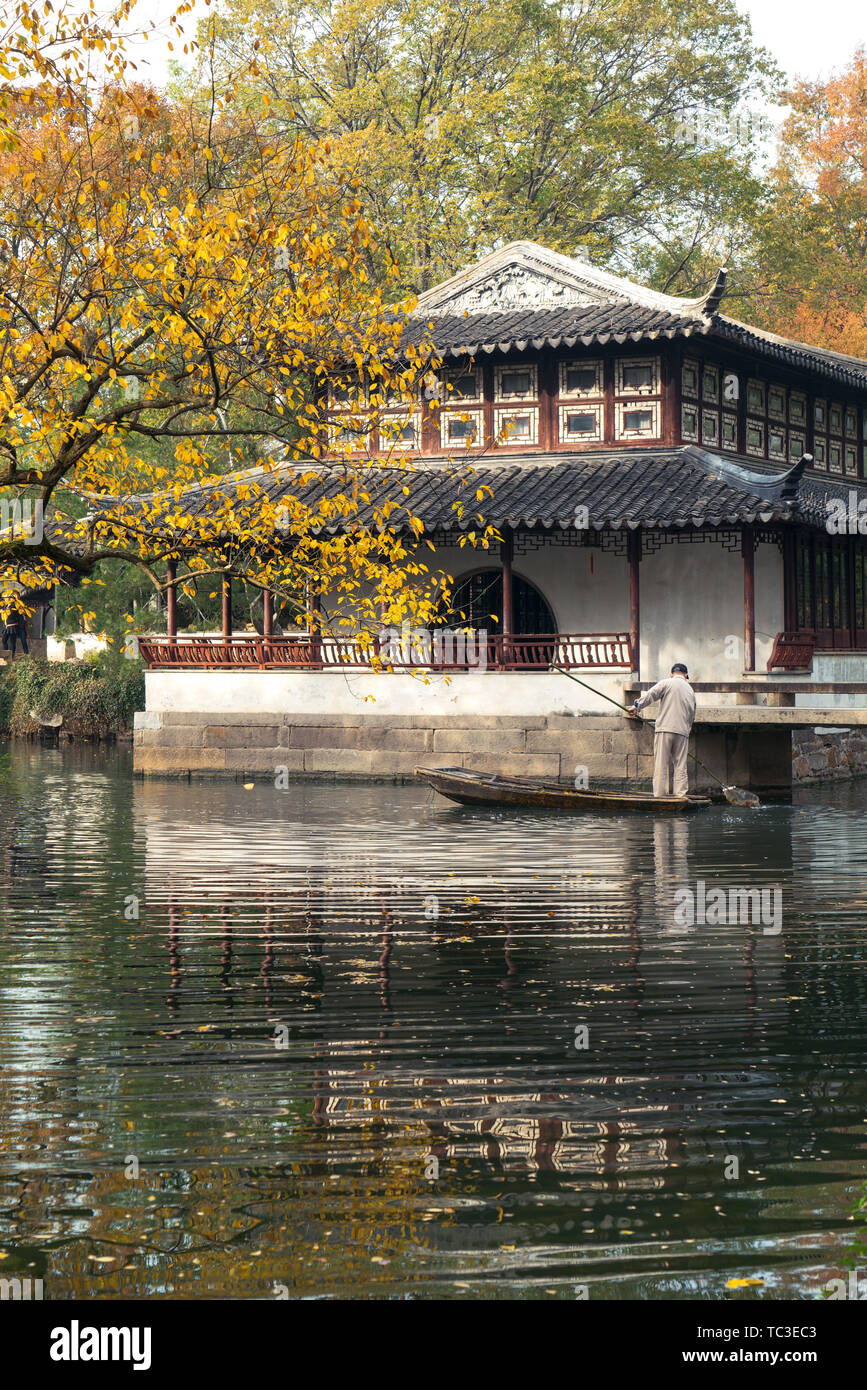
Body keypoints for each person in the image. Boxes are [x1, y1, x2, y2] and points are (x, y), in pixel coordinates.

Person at [627, 662, 696, 798]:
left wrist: (637, 706)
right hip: (682, 732)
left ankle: (660, 795)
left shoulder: (667, 682)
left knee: (661, 764)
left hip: (665, 728)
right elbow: (692, 714)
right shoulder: (690, 690)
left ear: (671, 674)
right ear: (686, 675)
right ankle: (680, 795)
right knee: (680, 765)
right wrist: (686, 731)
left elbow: (651, 695)